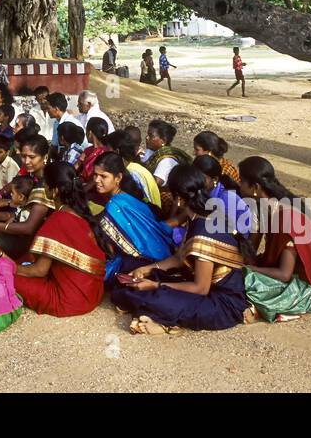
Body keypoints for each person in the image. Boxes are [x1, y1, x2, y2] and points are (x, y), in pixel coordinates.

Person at [111, 164, 249, 334]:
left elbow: (201, 288)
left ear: (179, 199)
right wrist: (148, 268)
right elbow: (178, 258)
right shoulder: (199, 216)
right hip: (204, 289)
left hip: (222, 304)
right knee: (132, 269)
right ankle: (154, 315)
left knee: (151, 295)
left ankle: (161, 319)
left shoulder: (203, 231)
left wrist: (155, 285)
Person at [238, 156, 311, 322]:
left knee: (243, 279)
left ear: (255, 187)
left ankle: (260, 309)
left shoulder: (287, 219)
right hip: (286, 275)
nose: (239, 185)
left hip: (302, 289)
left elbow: (284, 274)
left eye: (241, 181)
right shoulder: (267, 207)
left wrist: (249, 268)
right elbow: (253, 248)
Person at [13, 162, 107, 317]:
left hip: (69, 300)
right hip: (93, 293)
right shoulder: (80, 211)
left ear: (54, 190)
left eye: (46, 185)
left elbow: (39, 271)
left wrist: (10, 269)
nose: (44, 189)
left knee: (3, 277)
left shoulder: (57, 219)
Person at [94, 152, 174, 281]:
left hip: (145, 261)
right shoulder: (129, 197)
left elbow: (113, 251)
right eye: (95, 175)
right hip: (162, 255)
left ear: (118, 178)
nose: (97, 180)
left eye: (103, 176)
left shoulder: (114, 206)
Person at [0, 135, 54, 259]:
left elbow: (29, 228)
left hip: (38, 237)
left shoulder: (45, 184)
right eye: (24, 156)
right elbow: (14, 186)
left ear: (45, 157)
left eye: (32, 157)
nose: (26, 161)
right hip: (23, 222)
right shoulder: (31, 172)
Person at [146, 120, 188, 186]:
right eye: (147, 134)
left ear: (163, 141)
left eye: (151, 136)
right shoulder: (152, 152)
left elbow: (156, 183)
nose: (147, 138)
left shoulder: (167, 160)